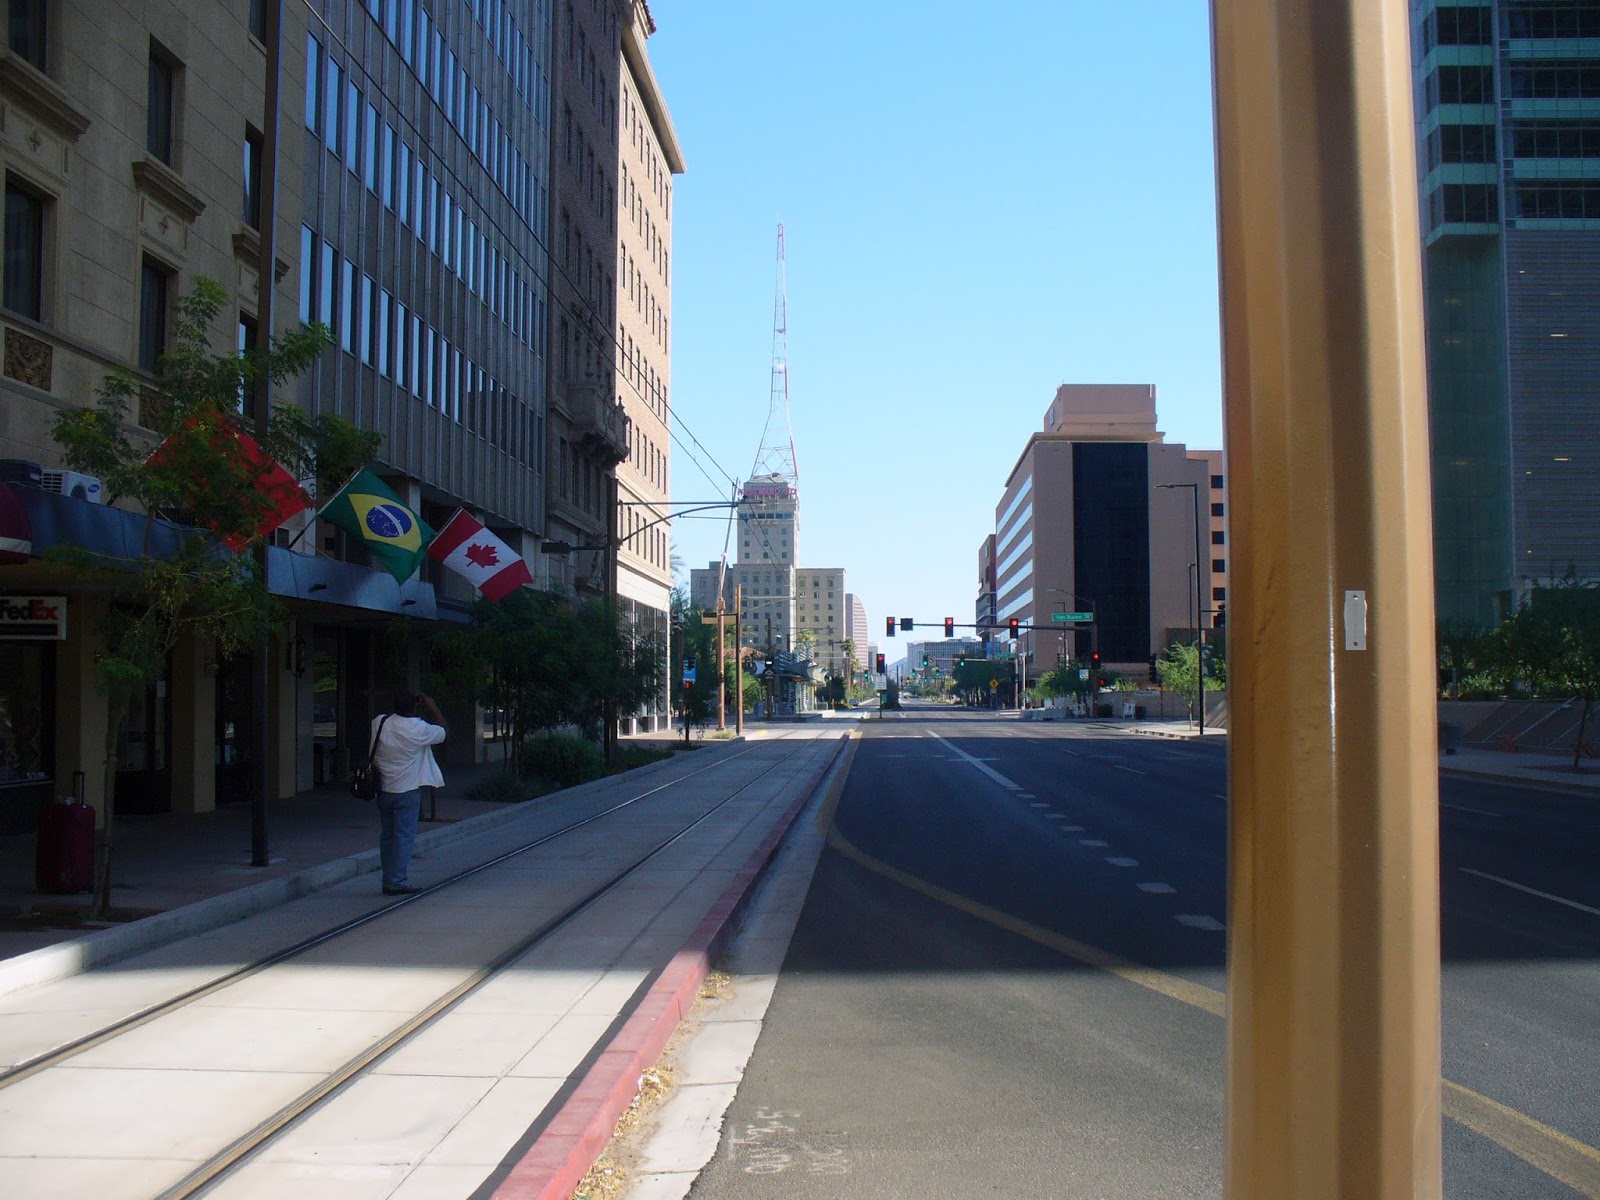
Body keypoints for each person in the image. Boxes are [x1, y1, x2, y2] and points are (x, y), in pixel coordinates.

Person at [370, 691, 447, 895]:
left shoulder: (380, 722)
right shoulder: (419, 729)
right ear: (415, 708)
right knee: (403, 836)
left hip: (384, 789)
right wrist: (431, 705)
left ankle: (389, 878)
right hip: (407, 790)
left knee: (387, 836)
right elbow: (442, 730)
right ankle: (396, 881)